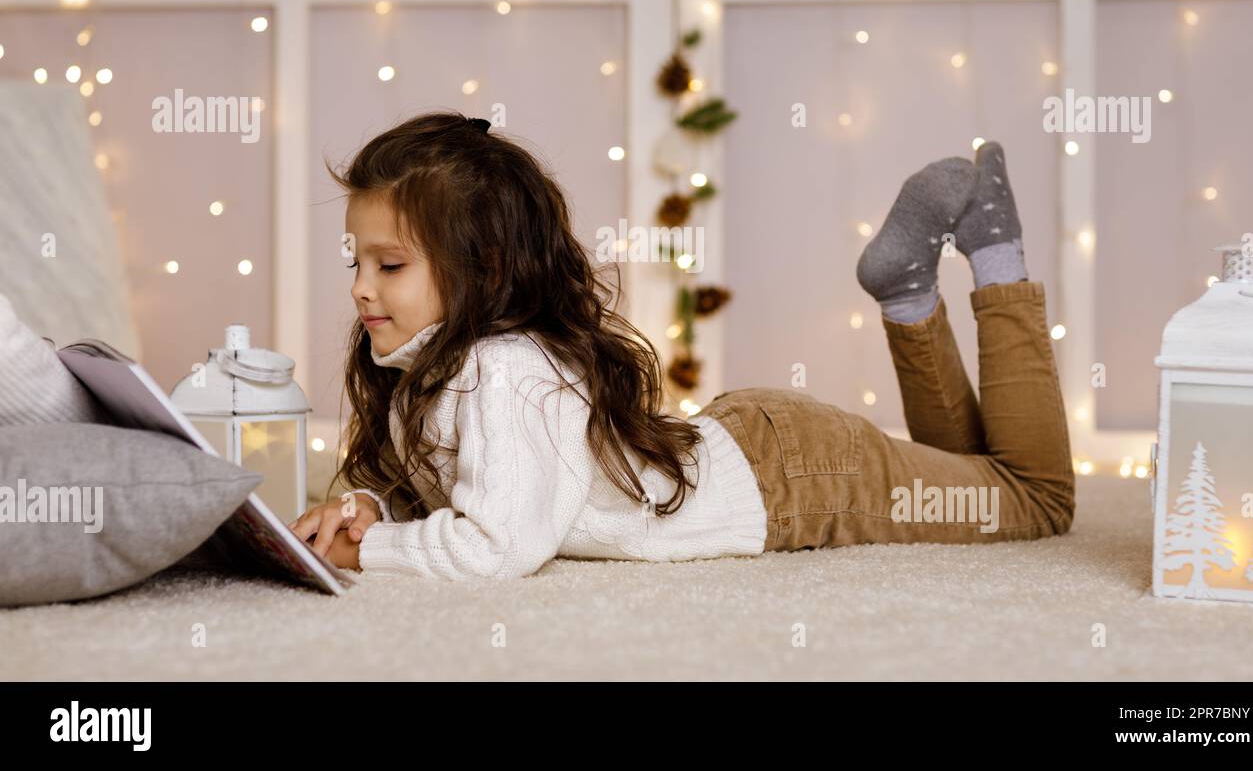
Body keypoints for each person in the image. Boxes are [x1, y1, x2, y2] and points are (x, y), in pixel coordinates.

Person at [289, 112, 1074, 580]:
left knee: (1034, 499)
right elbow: (465, 489)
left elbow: (498, 546)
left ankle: (995, 252)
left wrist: (375, 551)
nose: (361, 288)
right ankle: (908, 295)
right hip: (766, 455)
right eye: (357, 262)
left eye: (390, 265)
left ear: (486, 267)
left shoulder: (503, 370)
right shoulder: (435, 370)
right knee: (977, 477)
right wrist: (369, 510)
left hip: (799, 482)